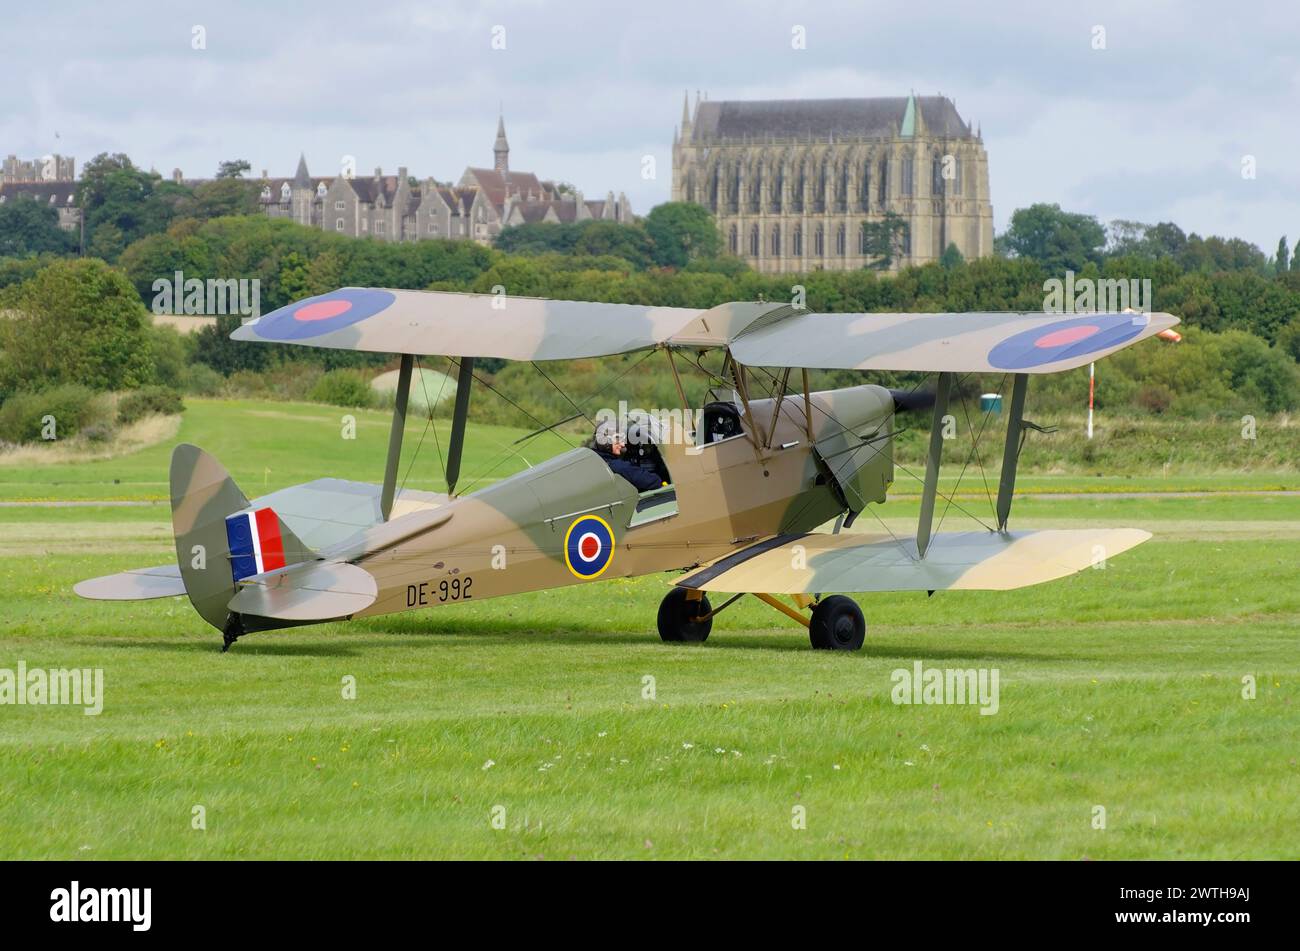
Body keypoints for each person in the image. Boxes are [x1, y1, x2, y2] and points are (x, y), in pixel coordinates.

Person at [592, 420, 663, 492]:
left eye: (623, 440)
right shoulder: (619, 467)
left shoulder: (593, 458)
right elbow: (654, 482)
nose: (623, 445)